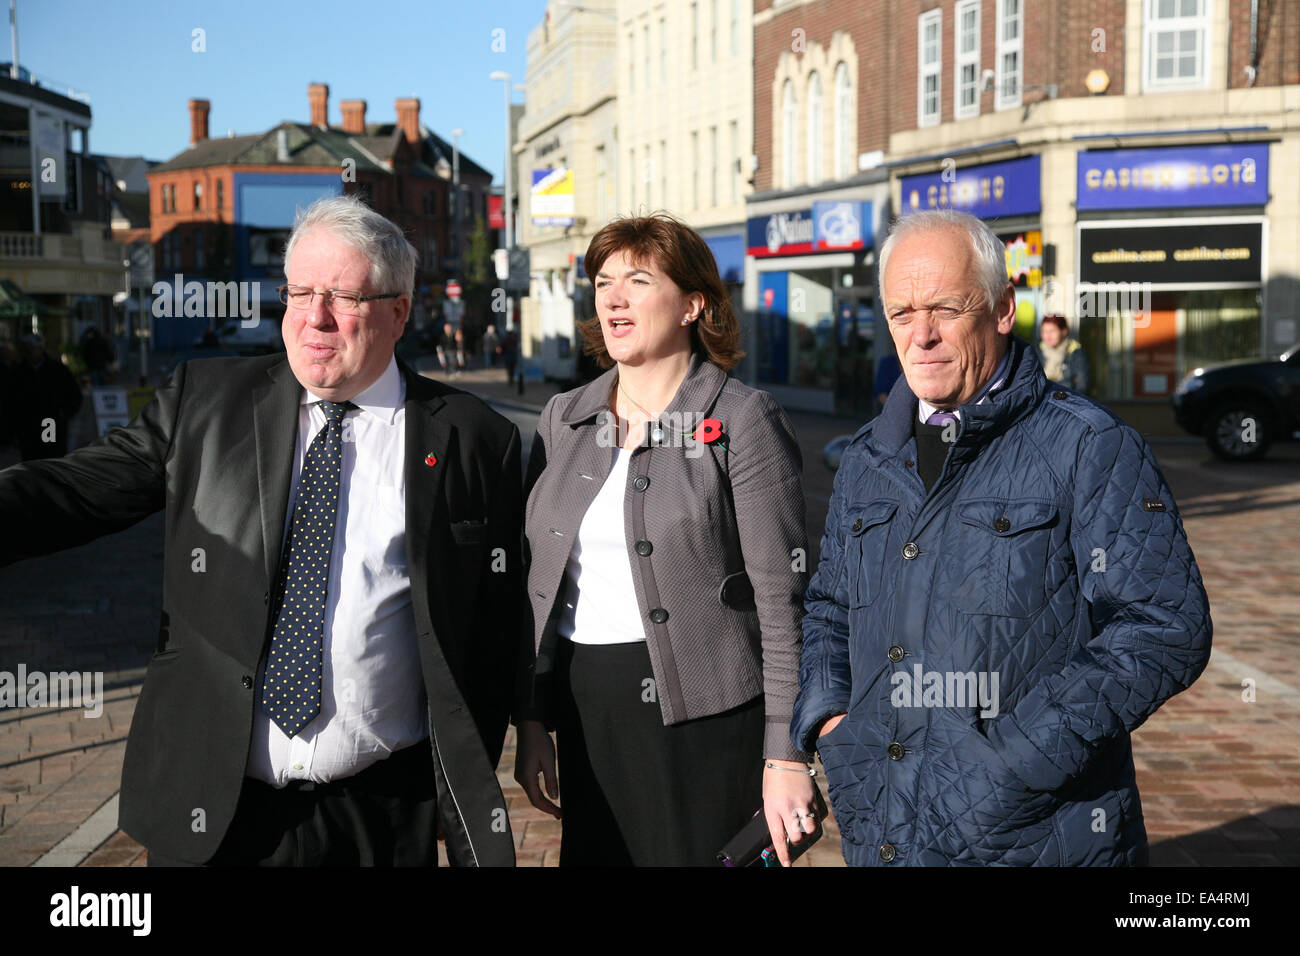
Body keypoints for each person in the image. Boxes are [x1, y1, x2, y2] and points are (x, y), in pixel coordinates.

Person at [0, 195, 523, 866]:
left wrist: (513, 737)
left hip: (381, 811)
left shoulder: (476, 439)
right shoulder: (207, 404)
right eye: (299, 292)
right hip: (218, 810)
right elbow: (72, 490)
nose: (314, 318)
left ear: (398, 311)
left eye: (342, 297)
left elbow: (499, 619)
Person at [792, 209, 1212, 866]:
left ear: (1002, 309)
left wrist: (1017, 759)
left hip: (1038, 839)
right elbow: (829, 606)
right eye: (901, 313)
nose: (921, 334)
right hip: (886, 828)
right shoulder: (870, 457)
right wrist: (833, 723)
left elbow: (1163, 625)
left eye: (945, 309)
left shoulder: (1087, 444)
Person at [513, 213, 816, 867]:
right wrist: (533, 717)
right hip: (588, 709)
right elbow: (538, 586)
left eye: (639, 280)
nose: (614, 297)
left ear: (693, 303)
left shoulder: (740, 418)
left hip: (706, 716)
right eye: (603, 282)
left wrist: (785, 752)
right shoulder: (564, 418)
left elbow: (783, 600)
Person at [2, 333, 83, 460]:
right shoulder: (18, 372)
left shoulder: (56, 369)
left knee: (50, 455)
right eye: (26, 349)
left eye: (31, 349)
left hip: (50, 421)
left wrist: (63, 413)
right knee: (32, 457)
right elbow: (9, 401)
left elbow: (74, 394)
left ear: (40, 349)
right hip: (28, 424)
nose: (28, 353)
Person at [1039, 313, 1090, 394]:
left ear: (1064, 331)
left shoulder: (1076, 354)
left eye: (1052, 331)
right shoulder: (1037, 352)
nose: (1048, 336)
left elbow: (1082, 387)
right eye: (1044, 331)